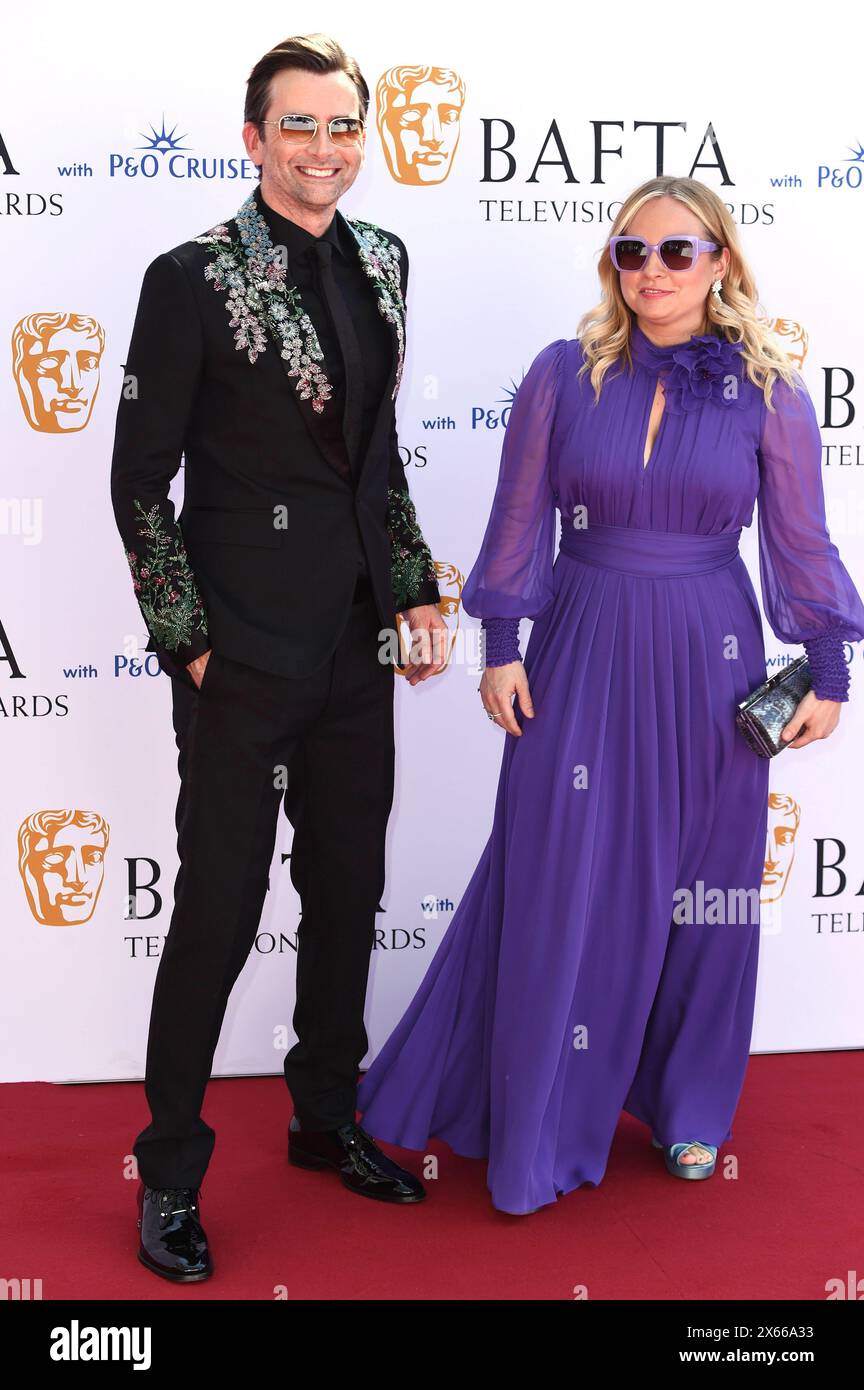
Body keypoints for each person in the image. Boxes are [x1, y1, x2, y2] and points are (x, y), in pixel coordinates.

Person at [357, 174, 864, 1216]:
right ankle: (536, 1113)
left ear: (720, 261)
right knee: (557, 870)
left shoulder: (769, 389)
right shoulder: (562, 373)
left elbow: (800, 543)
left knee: (706, 885)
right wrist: (502, 643)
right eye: (632, 252)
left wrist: (830, 666)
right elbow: (520, 514)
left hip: (709, 648)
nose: (651, 272)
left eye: (677, 251)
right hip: (579, 643)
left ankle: (689, 1108)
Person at [110, 33, 447, 1282]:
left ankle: (323, 1119)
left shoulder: (387, 261)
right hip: (240, 655)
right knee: (217, 905)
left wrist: (412, 588)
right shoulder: (189, 277)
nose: (323, 147)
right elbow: (138, 482)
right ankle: (171, 1171)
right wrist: (189, 646)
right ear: (253, 139)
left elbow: (379, 458)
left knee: (349, 888)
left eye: (342, 124)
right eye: (298, 125)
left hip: (357, 645)